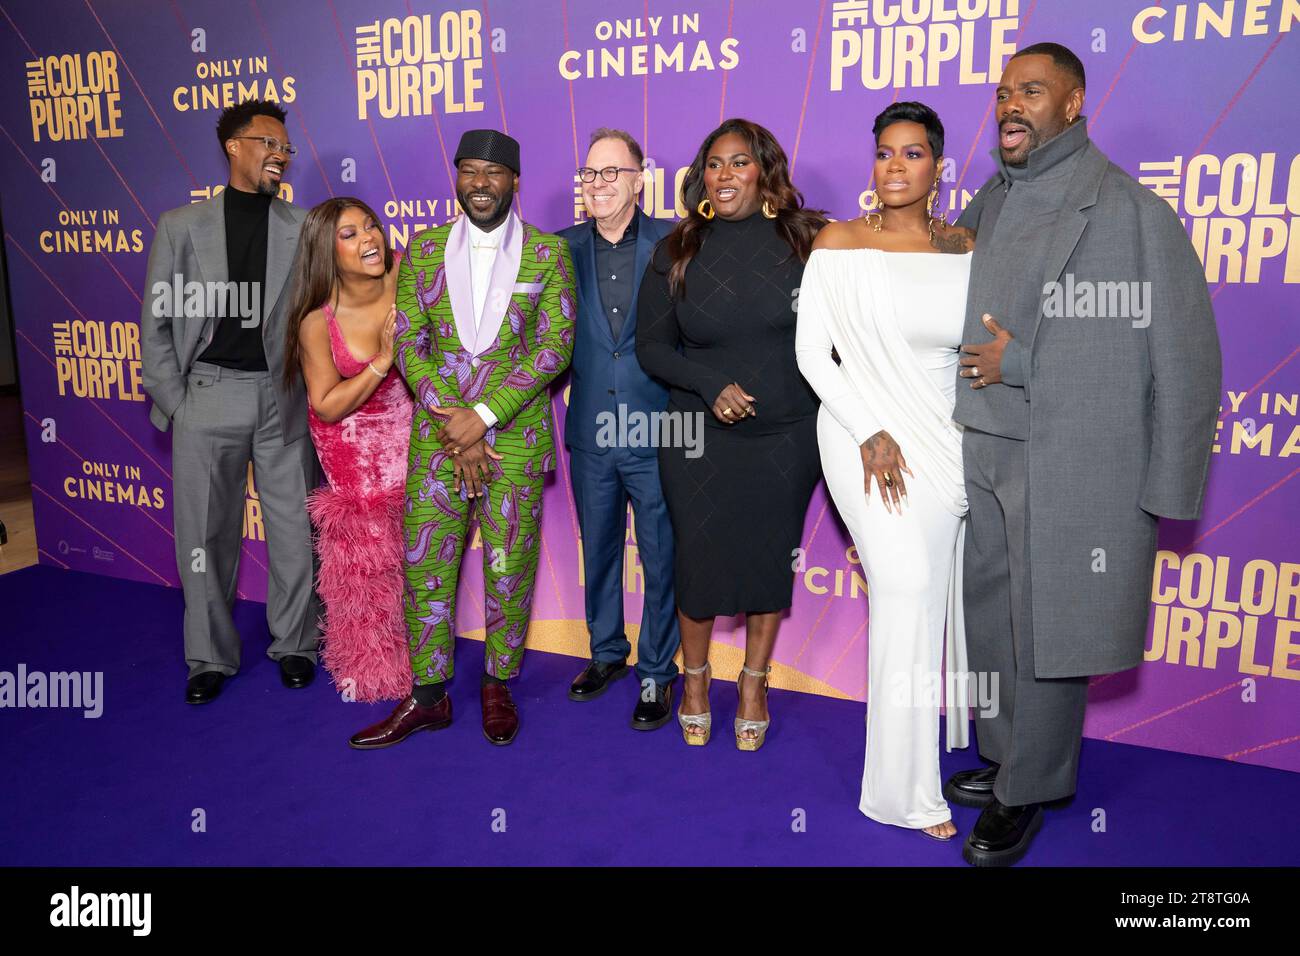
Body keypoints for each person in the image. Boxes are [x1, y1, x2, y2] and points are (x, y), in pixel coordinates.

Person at [947, 42, 1221, 866]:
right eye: (1002, 94)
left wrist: (1022, 362)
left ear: (1073, 105)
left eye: (1031, 91)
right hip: (982, 443)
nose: (1010, 106)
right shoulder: (990, 198)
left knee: (1049, 627)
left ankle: (1032, 787)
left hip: (1069, 457)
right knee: (992, 617)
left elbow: (1182, 353)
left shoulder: (1130, 209)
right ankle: (1006, 759)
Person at [349, 130, 575, 749]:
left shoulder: (549, 254)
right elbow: (411, 344)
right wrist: (456, 420)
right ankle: (428, 697)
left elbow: (554, 347)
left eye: (494, 172)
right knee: (428, 567)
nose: (480, 182)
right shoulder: (421, 251)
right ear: (457, 176)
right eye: (469, 170)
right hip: (439, 438)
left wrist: (484, 414)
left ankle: (498, 685)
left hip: (515, 438)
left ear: (515, 181)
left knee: (509, 568)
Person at [796, 103, 975, 842]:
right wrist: (870, 429)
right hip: (858, 429)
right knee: (901, 586)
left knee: (926, 598)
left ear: (939, 167)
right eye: (884, 154)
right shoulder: (838, 242)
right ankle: (902, 791)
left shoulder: (966, 245)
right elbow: (813, 356)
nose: (895, 166)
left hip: (944, 438)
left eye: (912, 154)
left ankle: (922, 767)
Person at [636, 118, 826, 751]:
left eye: (739, 163)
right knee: (699, 562)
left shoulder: (808, 242)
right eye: (713, 164)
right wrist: (708, 383)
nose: (724, 175)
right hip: (696, 437)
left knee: (770, 563)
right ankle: (693, 683)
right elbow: (652, 349)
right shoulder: (678, 249)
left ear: (763, 170)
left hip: (788, 436)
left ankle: (753, 684)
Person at [140, 99, 320, 704]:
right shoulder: (180, 227)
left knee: (295, 531)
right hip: (208, 395)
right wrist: (178, 400)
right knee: (204, 535)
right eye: (270, 143)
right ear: (234, 147)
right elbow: (157, 323)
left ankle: (295, 643)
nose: (280, 155)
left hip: (284, 398)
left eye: (285, 147)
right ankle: (209, 656)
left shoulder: (303, 227)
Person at [557, 129, 680, 729]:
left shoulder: (677, 243)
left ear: (639, 178)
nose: (598, 184)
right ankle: (606, 652)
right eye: (589, 174)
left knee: (662, 557)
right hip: (588, 429)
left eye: (612, 172)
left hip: (659, 430)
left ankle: (658, 672)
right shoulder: (558, 249)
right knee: (599, 550)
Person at [283, 198, 414, 704]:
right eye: (350, 234)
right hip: (354, 454)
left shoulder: (408, 273)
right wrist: (383, 359)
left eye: (372, 227)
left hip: (414, 442)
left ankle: (423, 662)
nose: (369, 239)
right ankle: (373, 669)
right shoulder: (318, 321)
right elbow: (327, 405)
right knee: (366, 570)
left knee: (417, 563)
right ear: (325, 251)